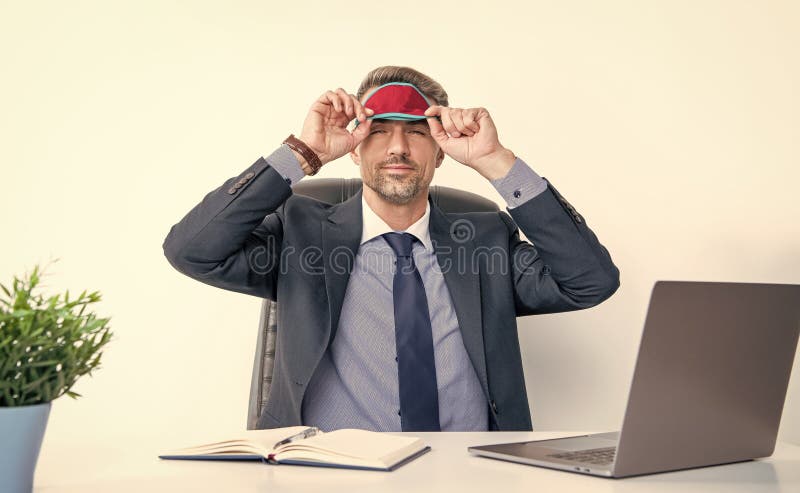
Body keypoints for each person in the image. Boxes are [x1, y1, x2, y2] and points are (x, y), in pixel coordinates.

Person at [163, 66, 620, 432]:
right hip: (328, 478)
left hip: (470, 478)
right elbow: (192, 250)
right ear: (355, 149)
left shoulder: (485, 241)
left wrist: (496, 161)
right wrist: (302, 152)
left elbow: (590, 282)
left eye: (417, 133)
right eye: (379, 131)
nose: (397, 148)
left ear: (440, 151)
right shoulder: (298, 231)